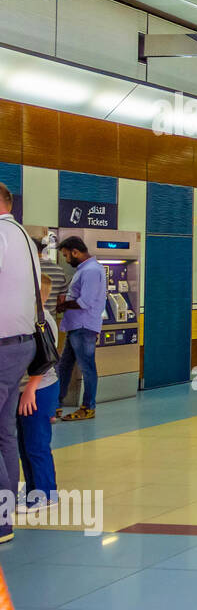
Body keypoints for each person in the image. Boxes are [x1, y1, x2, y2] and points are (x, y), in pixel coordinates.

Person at [0, 182, 41, 543]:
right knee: (5, 433)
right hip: (22, 346)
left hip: (0, 347)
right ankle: (5, 513)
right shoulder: (26, 238)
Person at [53, 236, 107, 422]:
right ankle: (56, 405)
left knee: (87, 368)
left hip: (84, 327)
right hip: (76, 326)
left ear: (75, 252)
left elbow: (85, 302)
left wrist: (64, 305)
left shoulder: (91, 271)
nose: (67, 260)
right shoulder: (86, 269)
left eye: (67, 255)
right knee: (64, 366)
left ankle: (87, 408)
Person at [17, 274, 58, 511]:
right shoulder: (29, 317)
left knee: (36, 443)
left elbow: (45, 360)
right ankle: (34, 490)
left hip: (38, 389)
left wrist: (30, 389)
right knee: (25, 444)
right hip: (28, 389)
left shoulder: (41, 321)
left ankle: (46, 493)